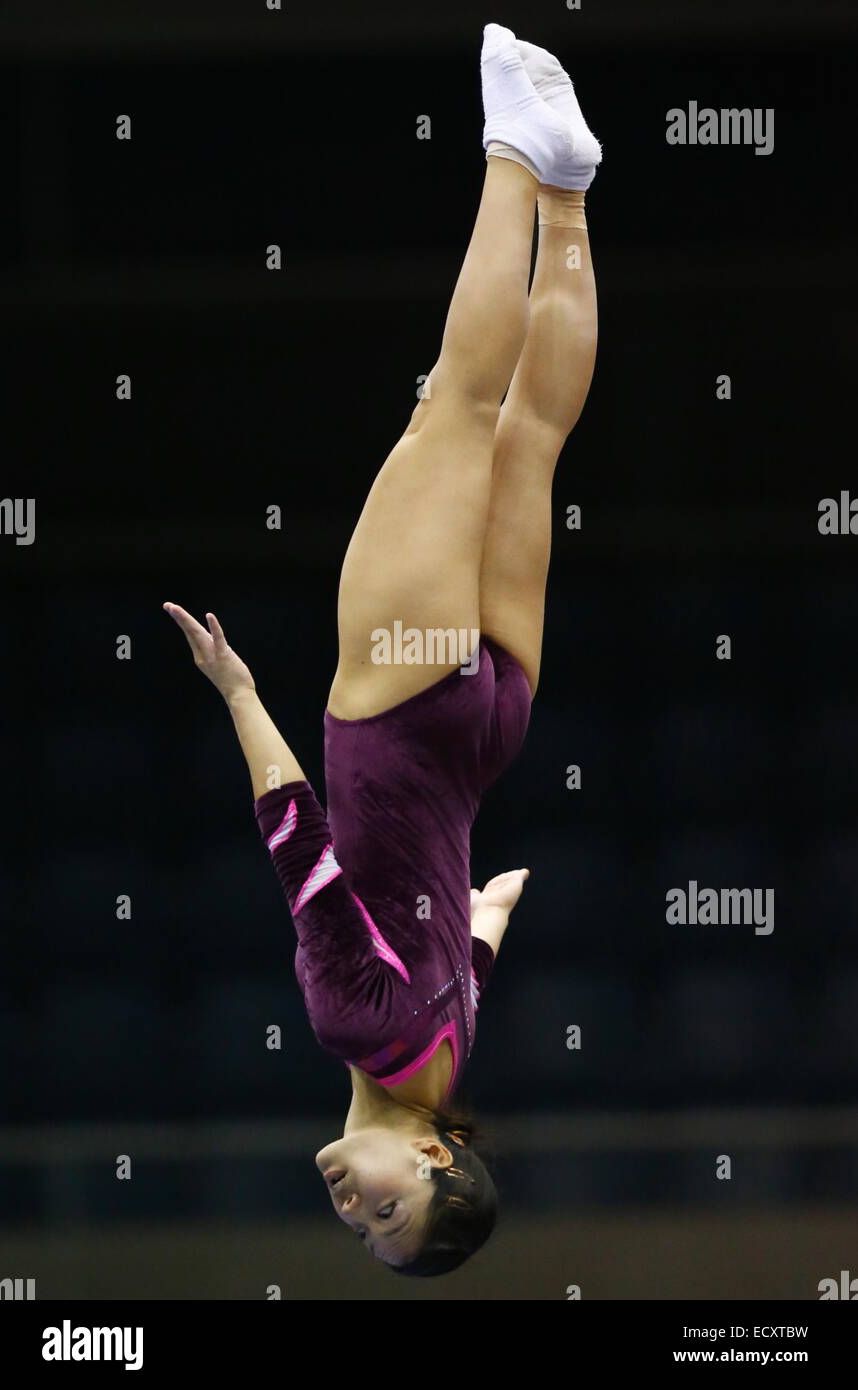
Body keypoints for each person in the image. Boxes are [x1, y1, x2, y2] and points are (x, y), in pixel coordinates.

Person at [163, 22, 601, 1276]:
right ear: (436, 1158)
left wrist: (490, 904)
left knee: (528, 441)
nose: (351, 1210)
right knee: (455, 412)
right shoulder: (353, 1027)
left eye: (358, 1232)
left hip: (487, 727)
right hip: (399, 708)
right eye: (387, 1211)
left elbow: (473, 928)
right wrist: (239, 692)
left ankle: (564, 192)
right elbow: (295, 839)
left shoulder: (441, 1049)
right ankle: (511, 150)